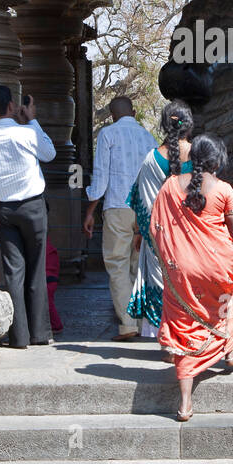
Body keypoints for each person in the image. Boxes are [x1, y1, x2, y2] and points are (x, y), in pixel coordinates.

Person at [151, 134, 233, 421]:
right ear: (217, 160)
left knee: (184, 327)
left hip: (180, 269)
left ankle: (185, 403)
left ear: (192, 158)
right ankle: (228, 350)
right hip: (217, 266)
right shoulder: (224, 189)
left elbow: (156, 228)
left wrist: (169, 260)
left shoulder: (169, 186)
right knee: (225, 304)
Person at [0, 85, 56, 349]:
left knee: (14, 271)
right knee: (36, 269)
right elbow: (50, 154)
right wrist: (32, 119)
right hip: (32, 206)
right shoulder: (27, 132)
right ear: (12, 106)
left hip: (4, 209)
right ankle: (40, 332)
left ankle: (18, 336)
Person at [83, 96, 157, 342]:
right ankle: (139, 320)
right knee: (137, 266)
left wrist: (90, 210)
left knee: (117, 266)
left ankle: (127, 324)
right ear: (134, 113)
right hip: (144, 208)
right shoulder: (148, 137)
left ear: (113, 116)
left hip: (117, 206)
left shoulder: (108, 134)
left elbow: (101, 177)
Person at [126, 101, 194, 341]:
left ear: (165, 125)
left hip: (158, 238)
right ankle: (190, 332)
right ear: (190, 125)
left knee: (161, 283)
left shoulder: (151, 159)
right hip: (192, 238)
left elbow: (142, 203)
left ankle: (161, 332)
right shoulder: (200, 155)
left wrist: (139, 232)